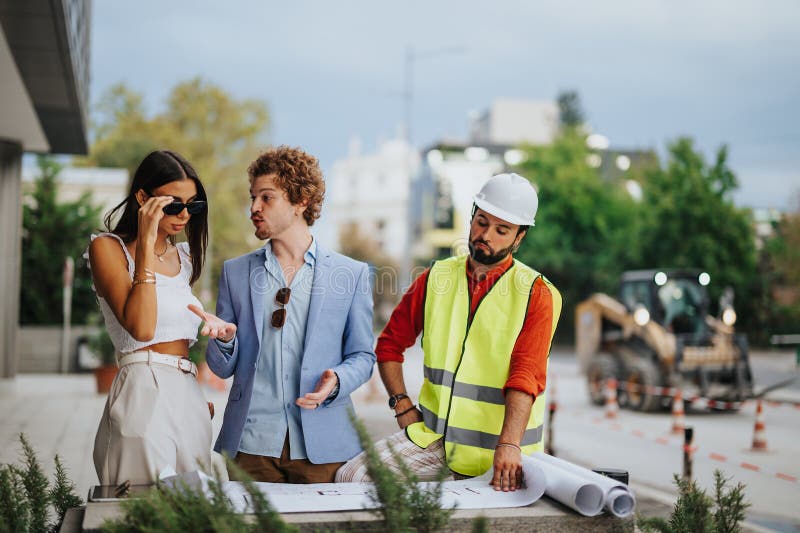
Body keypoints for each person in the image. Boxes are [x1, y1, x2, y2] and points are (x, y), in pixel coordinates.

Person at [336, 173, 562, 492]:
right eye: (482, 222)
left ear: (519, 237)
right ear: (471, 217)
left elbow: (526, 375)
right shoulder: (435, 278)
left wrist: (509, 446)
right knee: (352, 478)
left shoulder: (536, 293)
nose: (487, 235)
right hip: (435, 443)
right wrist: (402, 405)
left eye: (502, 230)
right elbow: (388, 346)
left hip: (506, 454)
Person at [189, 145, 375, 483]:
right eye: (253, 197)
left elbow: (363, 355)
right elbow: (221, 367)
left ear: (300, 201)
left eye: (266, 197)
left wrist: (338, 379)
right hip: (252, 445)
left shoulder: (351, 273)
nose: (254, 208)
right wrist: (226, 341)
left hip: (324, 445)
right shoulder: (235, 273)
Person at [88, 150, 212, 485]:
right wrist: (145, 240)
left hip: (188, 392)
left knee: (196, 509)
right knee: (144, 508)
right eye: (173, 205)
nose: (185, 215)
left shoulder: (185, 257)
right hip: (142, 387)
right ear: (143, 197)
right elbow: (142, 328)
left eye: (194, 205)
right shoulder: (107, 248)